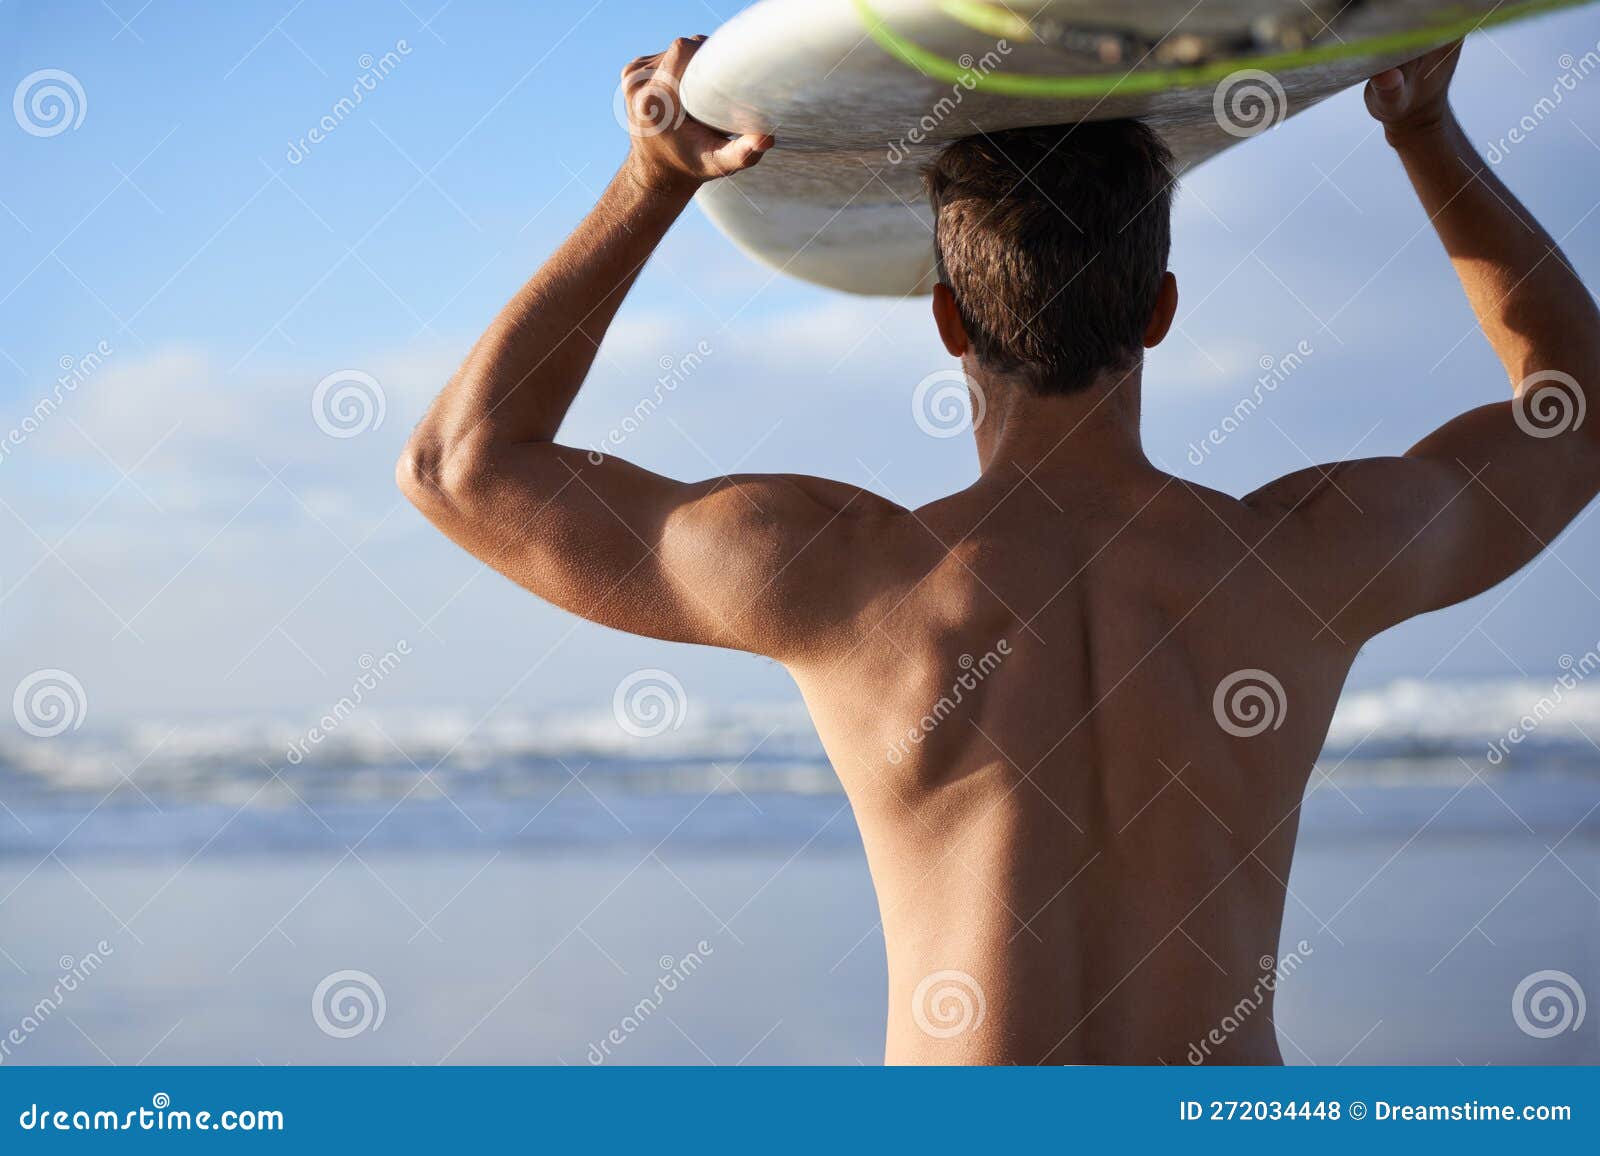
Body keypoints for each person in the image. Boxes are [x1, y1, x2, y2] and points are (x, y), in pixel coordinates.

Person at [397, 36, 1600, 1063]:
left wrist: (652, 178)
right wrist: (1422, 128)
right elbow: (1575, 413)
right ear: (1159, 311)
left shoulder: (841, 577)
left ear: (944, 320)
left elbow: (461, 466)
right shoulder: (1301, 560)